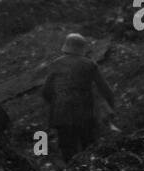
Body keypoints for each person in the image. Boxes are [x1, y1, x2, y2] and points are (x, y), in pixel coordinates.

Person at [41, 33, 116, 163]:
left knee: (68, 151)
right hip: (84, 113)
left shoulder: (55, 64)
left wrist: (56, 104)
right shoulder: (90, 65)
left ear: (66, 46)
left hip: (61, 114)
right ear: (82, 48)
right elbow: (106, 90)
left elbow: (46, 91)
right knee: (89, 147)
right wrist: (111, 110)